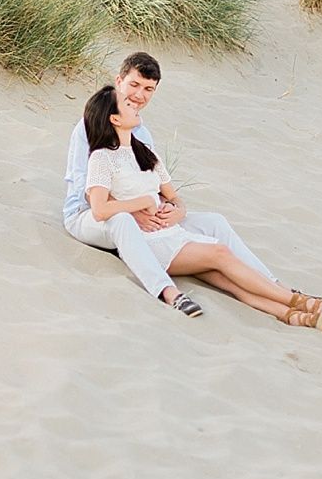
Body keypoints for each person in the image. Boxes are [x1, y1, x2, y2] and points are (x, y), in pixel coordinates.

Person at [81, 84, 322, 328]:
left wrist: (176, 211)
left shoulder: (146, 152)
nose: (135, 104)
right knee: (220, 253)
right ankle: (300, 301)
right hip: (150, 244)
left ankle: (299, 318)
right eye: (127, 103)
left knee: (229, 280)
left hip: (174, 233)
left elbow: (175, 198)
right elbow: (99, 209)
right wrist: (145, 201)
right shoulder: (103, 158)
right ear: (114, 119)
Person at [63, 52, 286, 315]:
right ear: (119, 81)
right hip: (89, 215)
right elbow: (87, 192)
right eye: (134, 85)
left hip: (140, 214)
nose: (139, 95)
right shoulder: (89, 126)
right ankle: (169, 293)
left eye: (148, 89)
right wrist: (133, 210)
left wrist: (175, 210)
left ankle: (275, 285)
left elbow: (156, 188)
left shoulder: (141, 134)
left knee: (214, 222)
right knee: (122, 221)